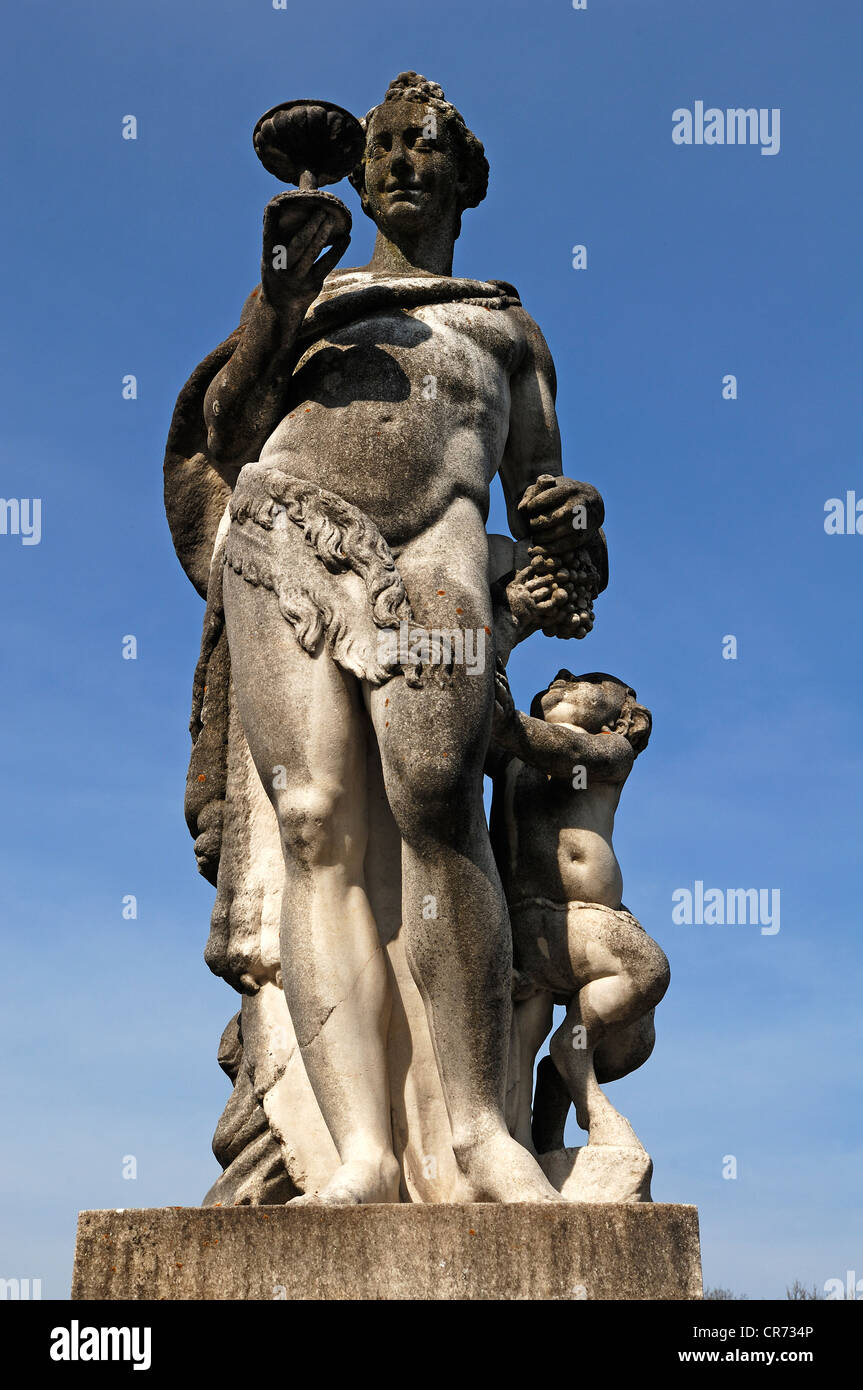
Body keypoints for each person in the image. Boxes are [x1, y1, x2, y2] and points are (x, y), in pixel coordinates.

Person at [198, 72, 606, 1204]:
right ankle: (365, 1149)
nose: (397, 162)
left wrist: (578, 524)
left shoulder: (502, 323)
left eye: (424, 147)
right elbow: (230, 431)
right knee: (315, 820)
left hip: (434, 550)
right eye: (379, 146)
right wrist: (280, 294)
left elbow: (542, 507)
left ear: (465, 177)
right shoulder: (312, 297)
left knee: (435, 799)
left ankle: (477, 1131)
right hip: (284, 539)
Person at [490, 668, 670, 1153]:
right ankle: (569, 1061)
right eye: (560, 677)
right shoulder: (511, 753)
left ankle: (552, 1127)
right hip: (526, 917)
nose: (563, 675)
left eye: (588, 681)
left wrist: (508, 723)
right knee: (644, 967)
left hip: (583, 919)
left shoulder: (610, 750)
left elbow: (568, 752)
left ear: (618, 720)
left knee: (642, 979)